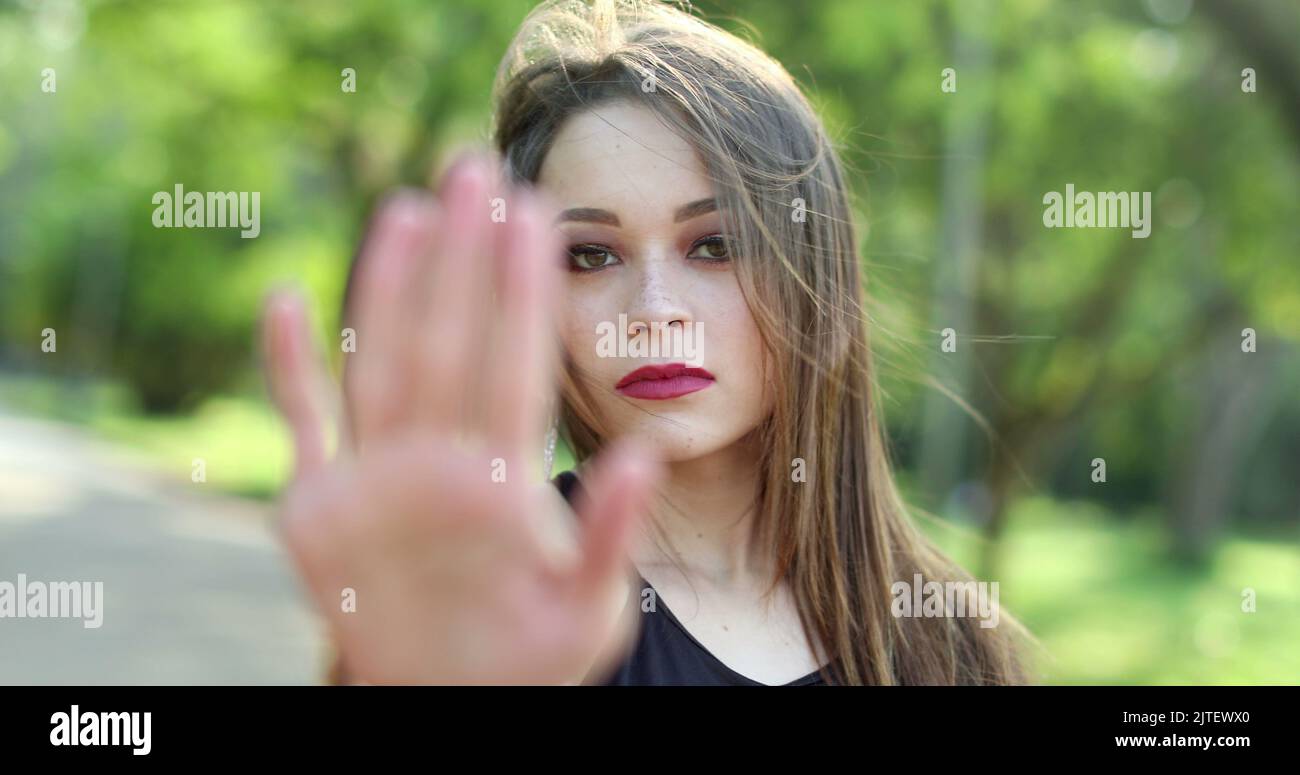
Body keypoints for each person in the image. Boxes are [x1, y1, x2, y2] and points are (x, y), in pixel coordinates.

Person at [260, 0, 1031, 685]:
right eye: (590, 255)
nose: (654, 312)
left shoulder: (956, 640)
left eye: (717, 244)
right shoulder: (498, 602)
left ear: (818, 282)